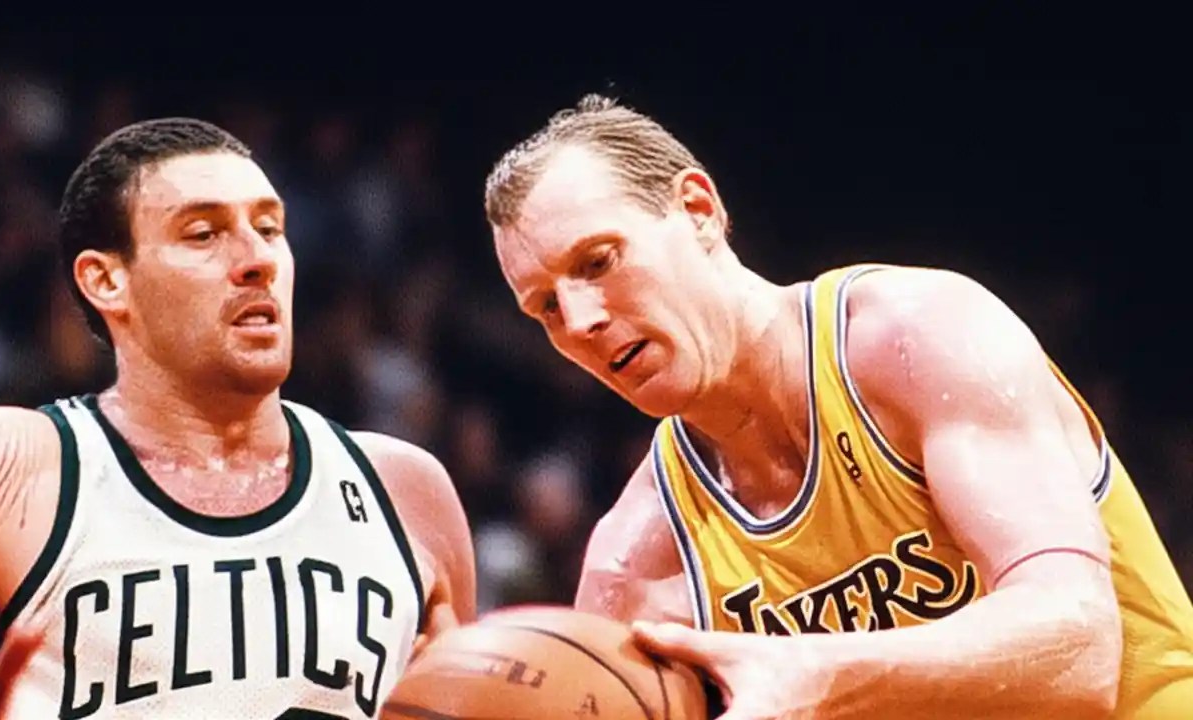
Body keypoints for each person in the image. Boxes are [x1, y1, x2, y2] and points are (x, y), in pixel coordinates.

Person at [484, 93, 1193, 718]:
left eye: (598, 262)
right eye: (544, 305)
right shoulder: (635, 566)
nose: (577, 321)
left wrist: (815, 677)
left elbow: (1080, 646)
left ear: (697, 209)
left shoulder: (914, 340)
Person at [0, 117, 476, 718]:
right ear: (106, 280)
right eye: (204, 234)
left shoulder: (406, 492)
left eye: (269, 227)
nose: (258, 259)